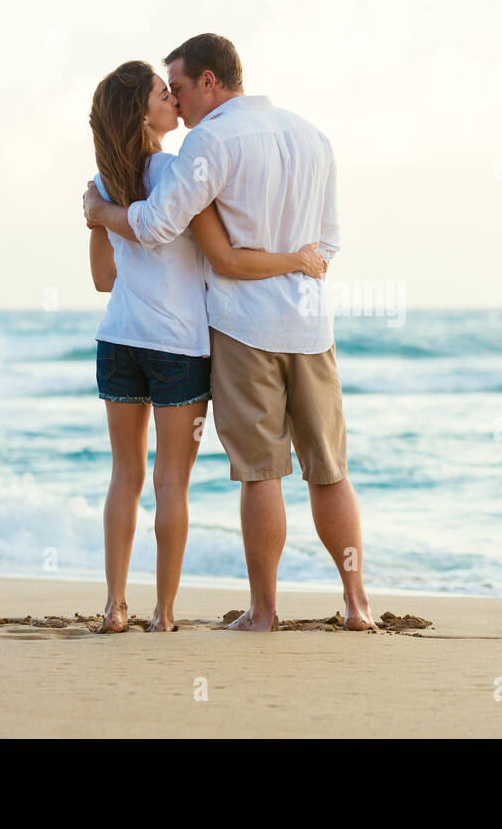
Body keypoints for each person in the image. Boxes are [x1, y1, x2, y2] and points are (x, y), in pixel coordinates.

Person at [84, 34, 374, 631]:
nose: (180, 103)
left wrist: (102, 214)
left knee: (259, 471)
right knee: (330, 468)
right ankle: (357, 603)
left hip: (240, 328)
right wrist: (296, 262)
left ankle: (261, 611)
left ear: (210, 82)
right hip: (309, 325)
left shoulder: (204, 145)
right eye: (169, 94)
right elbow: (329, 242)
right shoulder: (312, 136)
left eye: (182, 88)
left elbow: (155, 232)